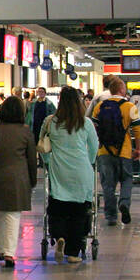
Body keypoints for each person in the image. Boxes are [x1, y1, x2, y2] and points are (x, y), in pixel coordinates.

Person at [37, 86, 98, 264]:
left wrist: (49, 162)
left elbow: (42, 147)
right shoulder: (85, 123)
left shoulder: (50, 121)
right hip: (81, 170)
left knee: (58, 206)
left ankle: (59, 236)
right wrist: (89, 162)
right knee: (79, 211)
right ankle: (73, 252)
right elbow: (94, 147)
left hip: (58, 169)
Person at [0, 95, 38, 267]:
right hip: (18, 178)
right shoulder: (25, 131)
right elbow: (31, 158)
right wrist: (32, 179)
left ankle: (1, 249)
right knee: (13, 216)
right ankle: (9, 252)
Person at [91, 77, 140, 226]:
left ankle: (111, 216)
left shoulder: (99, 106)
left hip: (104, 152)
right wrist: (137, 149)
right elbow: (137, 131)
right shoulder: (130, 107)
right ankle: (124, 203)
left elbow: (94, 128)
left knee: (108, 184)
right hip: (124, 152)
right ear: (122, 90)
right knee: (126, 179)